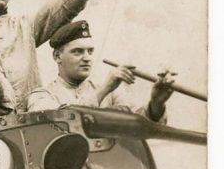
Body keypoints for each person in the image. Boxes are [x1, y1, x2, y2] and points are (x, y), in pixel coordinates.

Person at [25, 20, 177, 121]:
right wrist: (104, 89)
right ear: (57, 56)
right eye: (78, 52)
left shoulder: (112, 93)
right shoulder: (40, 97)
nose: (87, 58)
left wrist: (157, 102)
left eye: (90, 51)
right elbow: (63, 119)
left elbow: (139, 123)